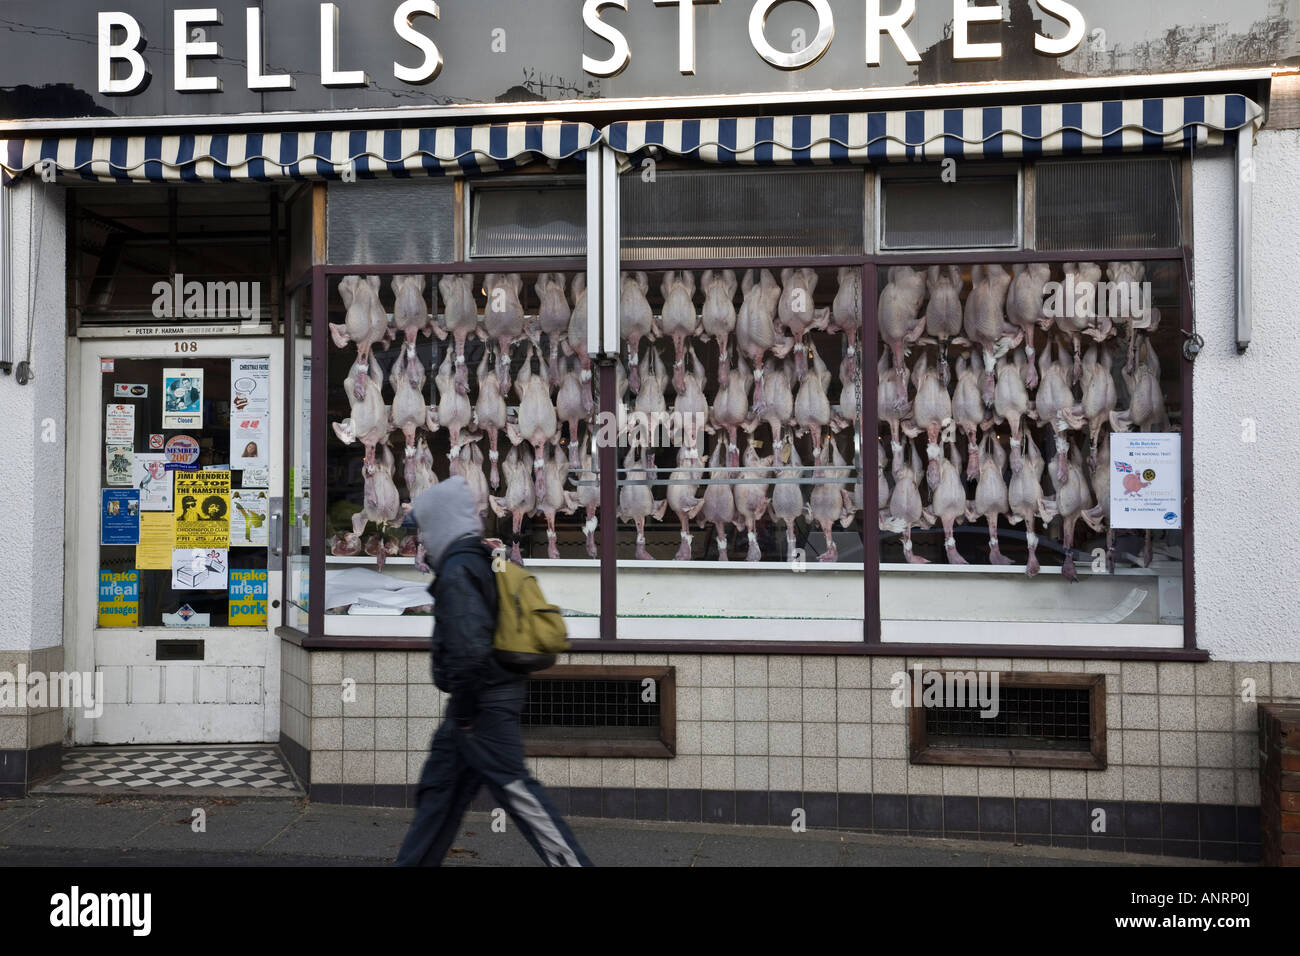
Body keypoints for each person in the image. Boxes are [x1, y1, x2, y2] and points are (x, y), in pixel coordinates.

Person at [395, 476, 591, 867]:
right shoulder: (478, 559)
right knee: (439, 794)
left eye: (423, 533)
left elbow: (469, 652)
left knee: (518, 794)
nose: (420, 542)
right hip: (475, 705)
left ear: (440, 525)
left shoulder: (458, 569)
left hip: (481, 706)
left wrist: (466, 716)